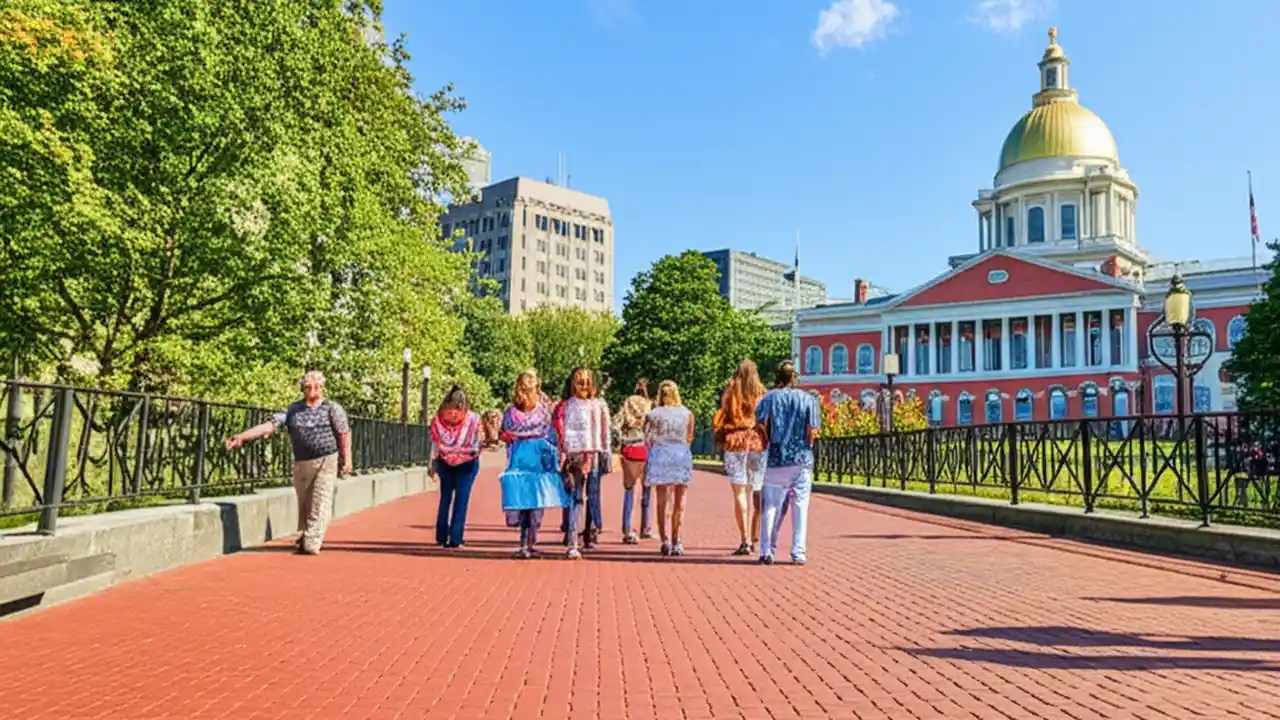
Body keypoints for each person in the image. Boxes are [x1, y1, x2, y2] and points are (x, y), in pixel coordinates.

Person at [224, 370, 351, 556]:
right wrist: (242, 437)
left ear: (322, 387)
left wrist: (346, 460)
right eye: (307, 387)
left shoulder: (333, 408)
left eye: (316, 386)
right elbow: (270, 425)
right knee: (304, 503)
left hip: (327, 459)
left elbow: (343, 434)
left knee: (320, 501)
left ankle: (312, 542)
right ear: (303, 388)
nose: (312, 390)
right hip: (301, 462)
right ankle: (304, 536)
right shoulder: (293, 410)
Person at [755, 361, 820, 565]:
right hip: (801, 459)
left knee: (770, 506)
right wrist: (806, 445)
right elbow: (813, 430)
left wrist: (769, 441)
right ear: (795, 377)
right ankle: (798, 551)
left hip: (775, 458)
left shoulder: (768, 398)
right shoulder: (808, 399)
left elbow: (760, 425)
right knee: (800, 506)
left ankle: (766, 550)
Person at [498, 371, 567, 559]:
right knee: (521, 504)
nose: (528, 394)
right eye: (525, 390)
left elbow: (551, 437)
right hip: (519, 462)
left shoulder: (543, 412)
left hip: (538, 463)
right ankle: (524, 543)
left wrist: (553, 457)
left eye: (532, 389)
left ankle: (528, 543)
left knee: (536, 506)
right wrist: (509, 437)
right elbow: (502, 433)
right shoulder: (511, 412)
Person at [555, 367, 610, 559]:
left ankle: (590, 532)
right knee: (575, 497)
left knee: (592, 496)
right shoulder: (566, 406)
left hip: (593, 455)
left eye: (587, 382)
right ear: (573, 384)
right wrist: (564, 455)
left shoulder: (598, 405)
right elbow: (562, 432)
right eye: (580, 382)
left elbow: (604, 431)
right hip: (574, 456)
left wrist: (605, 453)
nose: (584, 386)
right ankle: (572, 540)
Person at [714, 360, 767, 556]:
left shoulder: (732, 389)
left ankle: (744, 538)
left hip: (735, 440)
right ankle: (756, 533)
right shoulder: (761, 391)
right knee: (756, 488)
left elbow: (724, 411)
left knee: (739, 491)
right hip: (755, 440)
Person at [644, 380, 694, 557]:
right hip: (680, 454)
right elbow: (689, 437)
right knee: (680, 501)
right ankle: (677, 539)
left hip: (661, 454)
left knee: (662, 500)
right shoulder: (687, 413)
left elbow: (647, 437)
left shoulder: (654, 414)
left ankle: (665, 539)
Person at [429, 384, 482, 549]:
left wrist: (432, 462)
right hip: (457, 463)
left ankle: (448, 537)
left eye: (457, 411)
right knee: (454, 499)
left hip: (455, 463)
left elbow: (435, 444)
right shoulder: (471, 419)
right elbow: (435, 443)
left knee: (453, 499)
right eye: (450, 411)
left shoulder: (440, 420)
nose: (453, 415)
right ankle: (450, 538)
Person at [614, 378, 652, 544]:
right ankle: (646, 527)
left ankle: (628, 528)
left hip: (629, 449)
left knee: (630, 490)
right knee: (647, 490)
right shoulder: (650, 407)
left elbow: (616, 424)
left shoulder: (627, 403)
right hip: (646, 448)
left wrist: (620, 440)